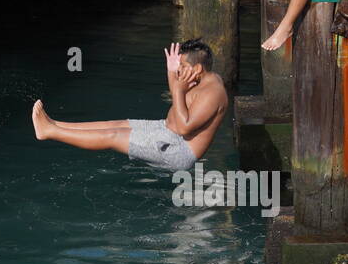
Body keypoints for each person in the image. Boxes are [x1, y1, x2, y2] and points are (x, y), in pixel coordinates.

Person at [31, 38, 227, 172]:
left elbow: (184, 127)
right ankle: (55, 124)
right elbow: (178, 102)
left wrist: (178, 88)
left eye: (182, 67)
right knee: (114, 124)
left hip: (178, 150)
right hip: (165, 129)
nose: (179, 71)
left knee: (112, 136)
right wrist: (171, 71)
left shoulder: (213, 93)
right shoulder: (203, 78)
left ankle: (49, 132)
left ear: (198, 68)